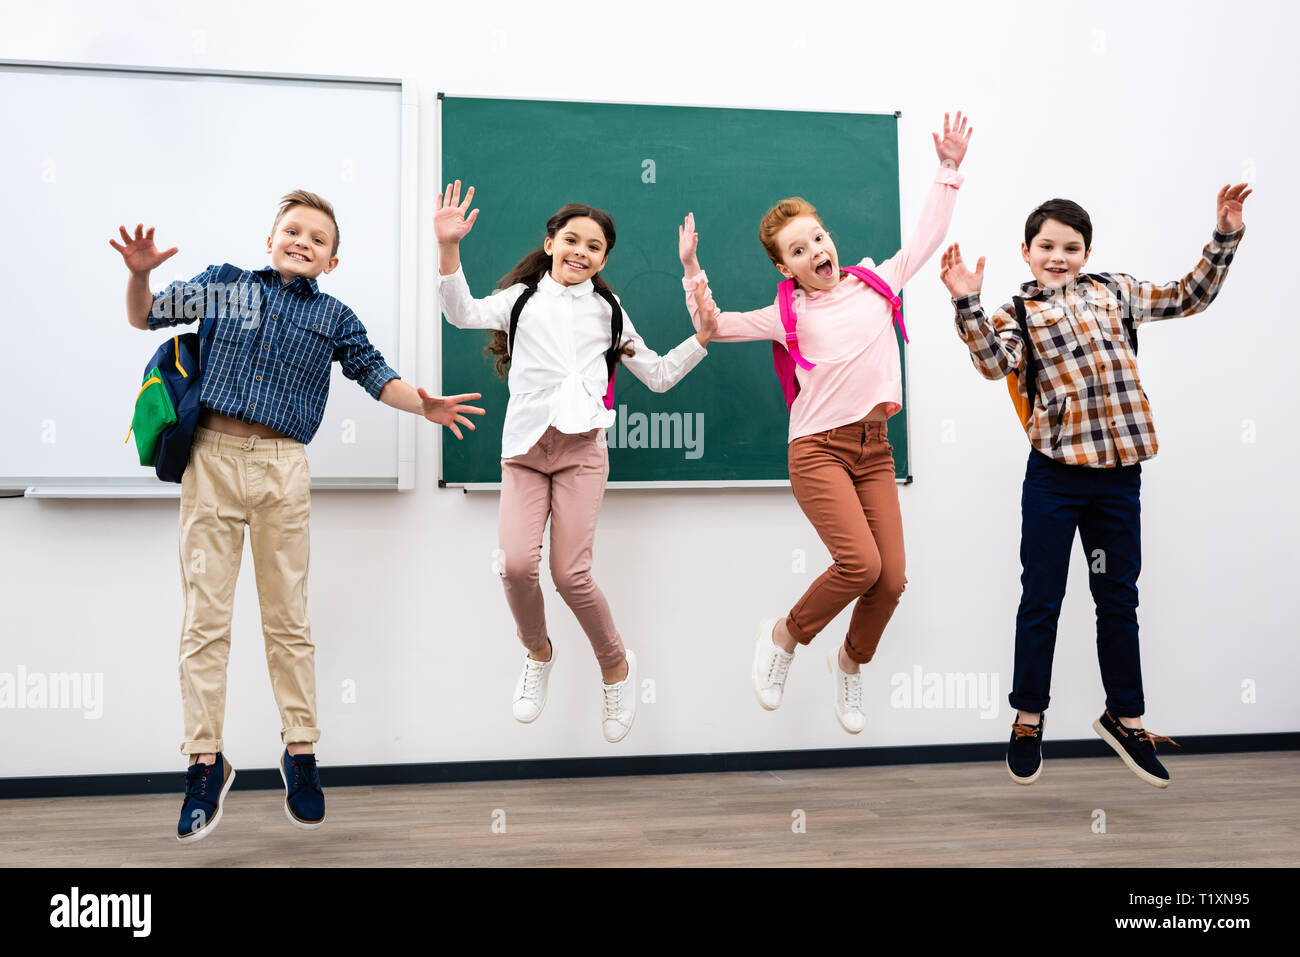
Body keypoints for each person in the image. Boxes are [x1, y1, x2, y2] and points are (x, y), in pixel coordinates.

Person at [112, 190, 485, 841]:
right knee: (205, 618)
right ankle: (205, 761)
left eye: (318, 238)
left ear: (332, 261)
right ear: (270, 240)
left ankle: (301, 750)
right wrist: (140, 273)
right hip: (212, 461)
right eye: (292, 230)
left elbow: (375, 374)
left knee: (288, 619)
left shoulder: (335, 315)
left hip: (284, 468)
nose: (303, 241)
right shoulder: (226, 287)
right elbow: (146, 316)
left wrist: (420, 404)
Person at [939, 183, 1250, 787]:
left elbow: (1190, 296)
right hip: (1055, 478)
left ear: (1087, 252)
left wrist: (1225, 234)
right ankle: (1028, 718)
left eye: (1071, 246)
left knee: (1118, 599)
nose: (1058, 256)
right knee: (1043, 599)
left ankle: (1125, 717)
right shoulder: (1016, 315)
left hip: (1118, 478)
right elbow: (992, 364)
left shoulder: (1116, 292)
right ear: (1026, 251)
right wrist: (966, 304)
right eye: (1047, 246)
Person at [679, 113, 973, 733]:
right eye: (798, 249)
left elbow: (926, 234)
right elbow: (713, 325)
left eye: (818, 238)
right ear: (785, 268)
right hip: (817, 451)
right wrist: (692, 274)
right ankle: (784, 635)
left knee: (890, 579)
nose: (816, 251)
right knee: (858, 565)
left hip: (875, 449)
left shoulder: (877, 283)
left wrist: (948, 169)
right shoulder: (787, 312)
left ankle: (851, 661)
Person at [436, 182, 716, 742]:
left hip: (582, 453)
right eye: (571, 239)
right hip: (523, 453)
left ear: (605, 258)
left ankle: (616, 665)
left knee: (570, 574)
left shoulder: (609, 311)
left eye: (594, 246)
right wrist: (449, 249)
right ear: (550, 242)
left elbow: (657, 376)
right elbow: (461, 312)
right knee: (516, 566)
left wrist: (701, 340)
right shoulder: (518, 300)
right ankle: (538, 653)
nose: (581, 252)